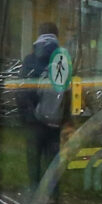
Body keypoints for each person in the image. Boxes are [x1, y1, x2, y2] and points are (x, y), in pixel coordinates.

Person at [17, 22, 72, 185]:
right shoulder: (63, 59)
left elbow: (22, 91)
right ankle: (53, 194)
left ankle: (35, 192)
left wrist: (26, 117)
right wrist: (65, 118)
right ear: (57, 36)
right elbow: (68, 91)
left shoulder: (30, 59)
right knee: (53, 162)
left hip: (34, 120)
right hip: (55, 121)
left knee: (34, 160)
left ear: (39, 35)